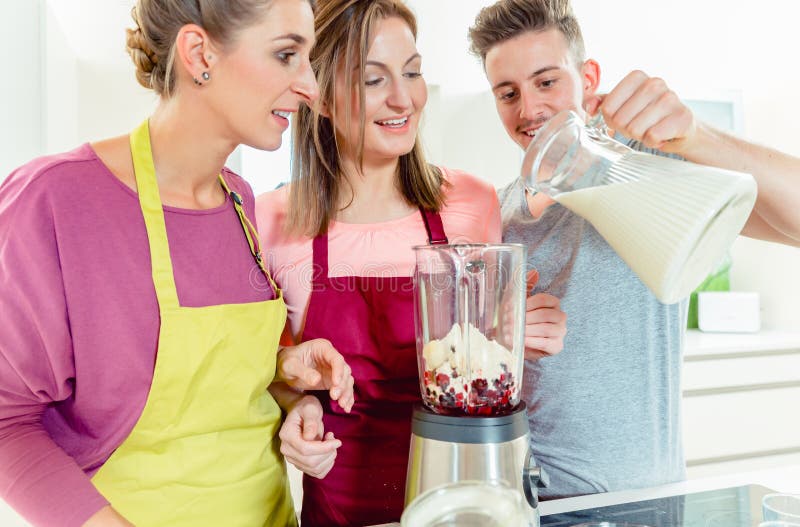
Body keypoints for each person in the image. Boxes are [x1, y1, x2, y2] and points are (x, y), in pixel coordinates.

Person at [0, 1, 356, 526]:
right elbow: (7, 422)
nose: (311, 86)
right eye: (286, 55)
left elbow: (222, 394)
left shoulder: (240, 199)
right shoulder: (53, 199)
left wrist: (287, 383)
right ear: (198, 53)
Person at [467, 0, 800, 501]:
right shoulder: (493, 215)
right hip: (524, 503)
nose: (528, 109)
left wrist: (695, 135)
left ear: (588, 78)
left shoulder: (647, 169)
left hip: (644, 502)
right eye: (507, 93)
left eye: (547, 81)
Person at [256, 0, 568, 524]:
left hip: (469, 497)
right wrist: (297, 407)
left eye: (413, 72)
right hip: (342, 505)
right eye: (373, 79)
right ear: (322, 97)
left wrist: (526, 334)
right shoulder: (270, 222)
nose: (404, 98)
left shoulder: (472, 202)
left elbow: (486, 351)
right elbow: (270, 370)